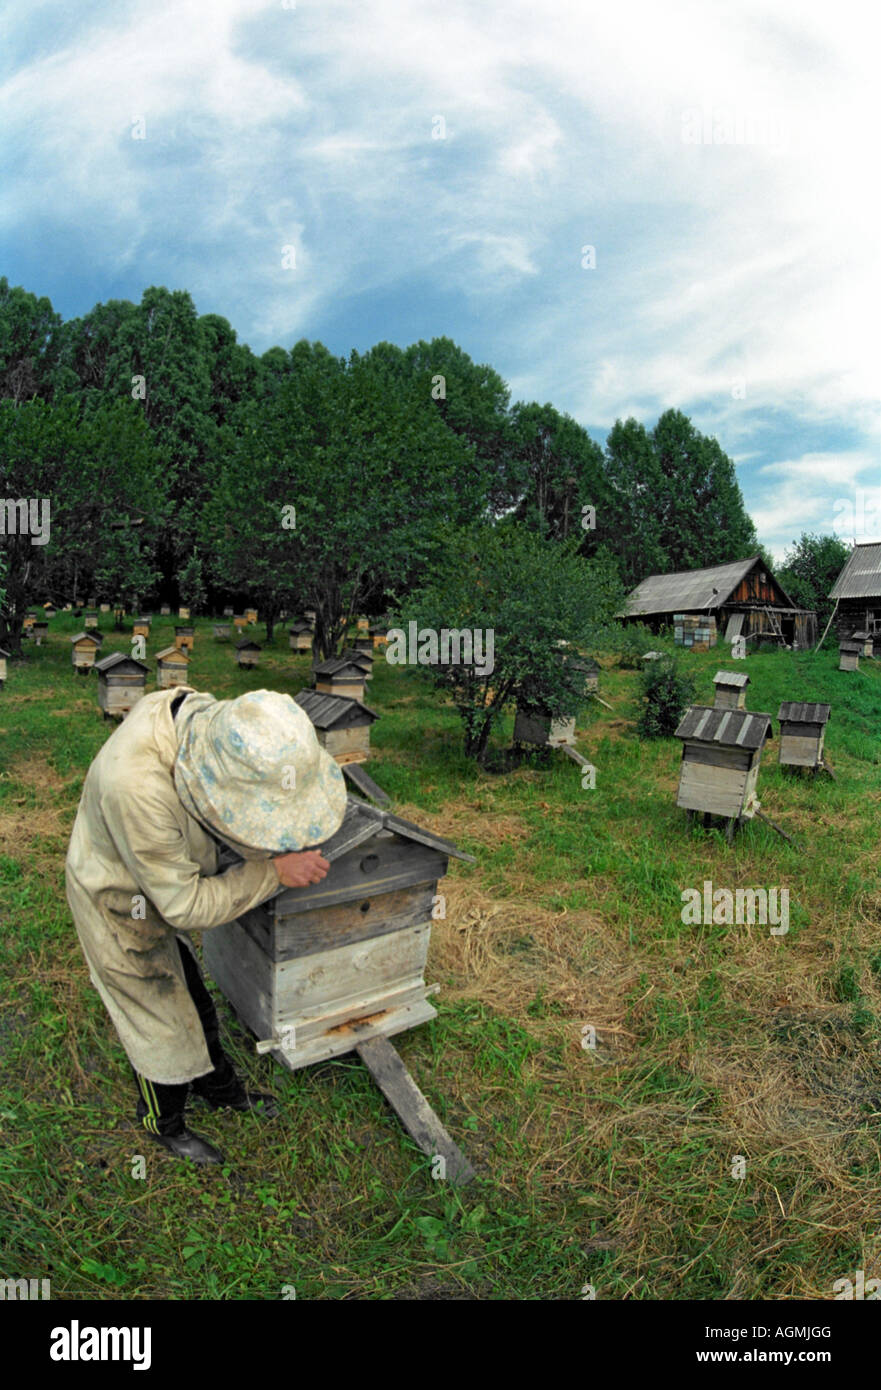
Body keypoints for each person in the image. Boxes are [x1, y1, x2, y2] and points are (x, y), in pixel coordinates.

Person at [65, 684, 348, 1165]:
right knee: (161, 1022)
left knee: (196, 1000)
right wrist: (271, 872)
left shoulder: (210, 719)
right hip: (119, 904)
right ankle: (164, 1123)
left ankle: (221, 1091)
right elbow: (184, 905)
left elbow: (232, 808)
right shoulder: (136, 788)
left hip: (161, 872)